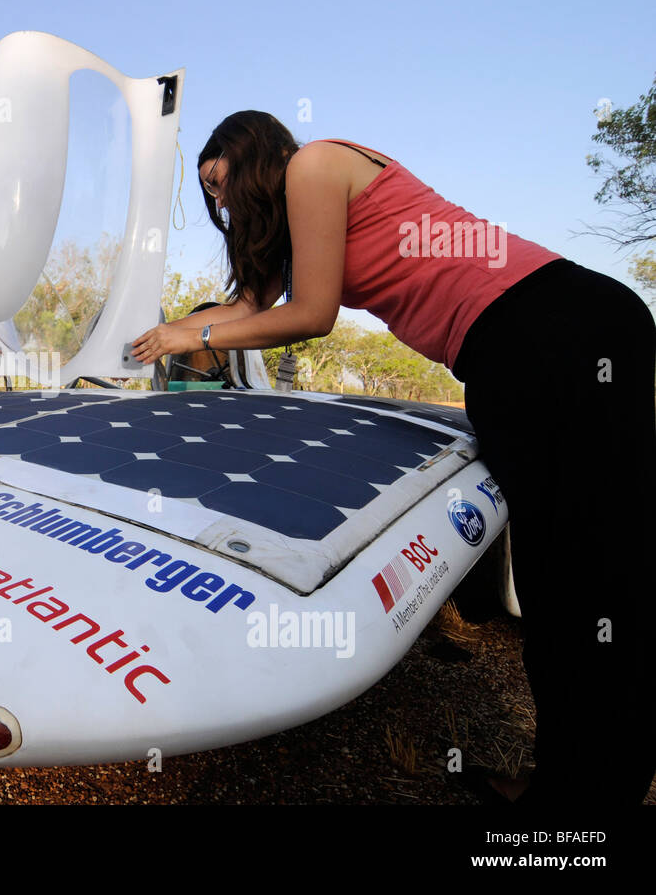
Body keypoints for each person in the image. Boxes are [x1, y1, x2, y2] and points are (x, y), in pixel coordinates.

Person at [132, 110, 656, 805]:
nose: (218, 203)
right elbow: (248, 308)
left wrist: (185, 332)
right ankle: (572, 783)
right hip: (527, 345)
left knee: (581, 581)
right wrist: (175, 331)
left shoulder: (314, 163)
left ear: (250, 151)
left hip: (551, 330)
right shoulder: (297, 218)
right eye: (209, 194)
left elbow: (312, 314)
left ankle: (578, 808)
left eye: (218, 181)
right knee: (568, 576)